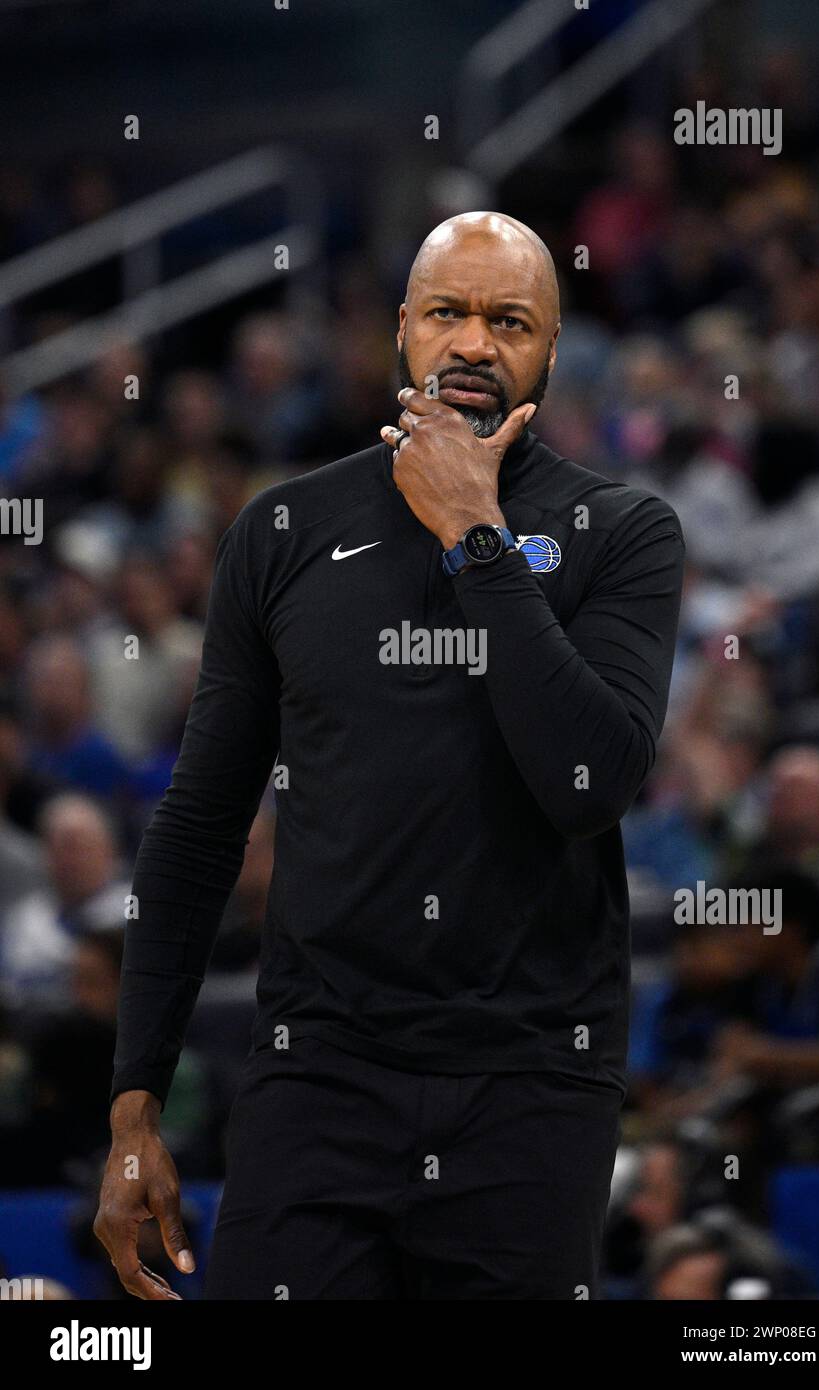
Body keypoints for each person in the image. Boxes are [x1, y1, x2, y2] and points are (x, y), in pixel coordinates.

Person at [95, 211, 685, 1300]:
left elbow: (589, 783)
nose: (473, 343)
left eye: (508, 321)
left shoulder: (623, 531)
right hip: (317, 1076)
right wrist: (136, 1100)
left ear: (550, 355)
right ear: (401, 333)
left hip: (531, 1084)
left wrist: (476, 536)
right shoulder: (280, 533)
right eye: (447, 313)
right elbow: (197, 825)